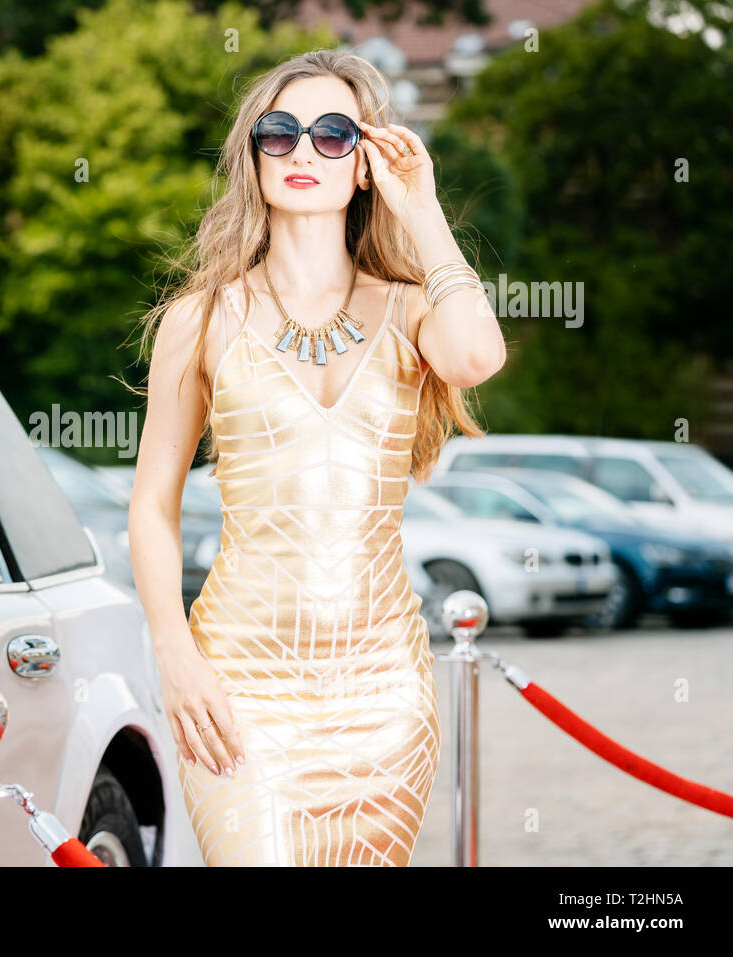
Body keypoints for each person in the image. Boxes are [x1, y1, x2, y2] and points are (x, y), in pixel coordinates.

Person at [127, 49, 505, 866]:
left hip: (384, 693)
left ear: (366, 161)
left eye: (335, 134)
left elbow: (476, 357)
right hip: (242, 682)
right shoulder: (201, 317)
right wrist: (174, 653)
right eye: (281, 132)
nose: (304, 151)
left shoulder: (410, 310)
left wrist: (424, 208)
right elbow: (152, 502)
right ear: (253, 152)